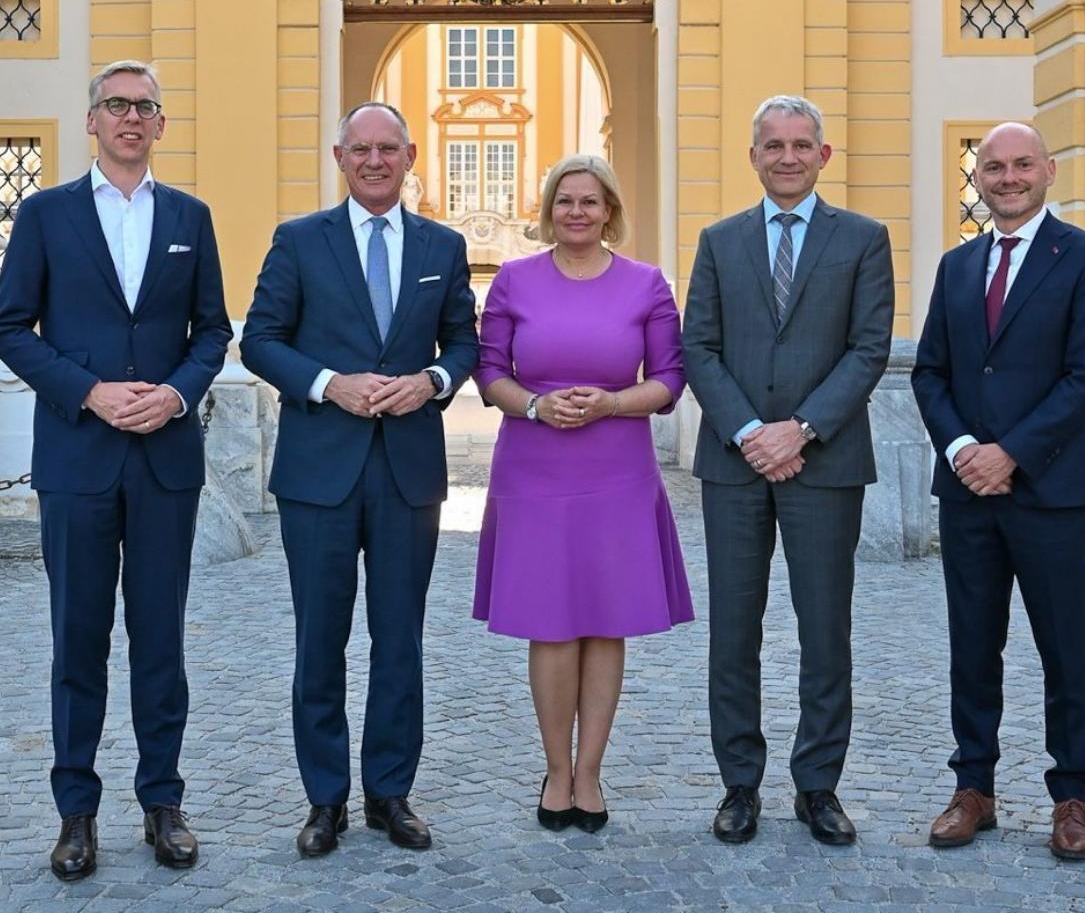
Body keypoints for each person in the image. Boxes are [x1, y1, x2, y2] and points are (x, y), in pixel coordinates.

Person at [0, 60, 231, 881]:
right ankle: (76, 813)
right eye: (116, 104)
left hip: (164, 459)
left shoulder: (190, 217)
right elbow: (10, 328)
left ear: (160, 124)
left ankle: (163, 802)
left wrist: (177, 394)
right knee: (78, 640)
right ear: (92, 120)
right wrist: (87, 392)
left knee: (160, 639)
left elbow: (212, 331)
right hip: (77, 457)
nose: (131, 116)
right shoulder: (45, 214)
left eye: (145, 106)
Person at [240, 102, 479, 858]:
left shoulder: (443, 245)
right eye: (360, 149)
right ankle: (325, 799)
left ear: (410, 157)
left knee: (399, 638)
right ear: (339, 157)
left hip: (408, 469)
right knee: (320, 639)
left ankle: (390, 793)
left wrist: (432, 380)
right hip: (319, 470)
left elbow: (466, 341)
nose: (375, 161)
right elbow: (260, 340)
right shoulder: (299, 240)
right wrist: (327, 384)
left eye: (388, 149)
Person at [909, 121, 1085, 862]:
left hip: (1052, 489)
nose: (1008, 178)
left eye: (1022, 164)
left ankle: (1072, 796)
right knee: (973, 645)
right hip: (968, 490)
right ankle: (974, 788)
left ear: (1048, 171)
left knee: (1065, 648)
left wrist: (1014, 454)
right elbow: (930, 372)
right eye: (994, 167)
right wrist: (964, 450)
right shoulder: (958, 266)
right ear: (978, 178)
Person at [682, 94, 895, 846]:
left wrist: (800, 429)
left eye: (801, 145)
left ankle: (817, 786)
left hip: (825, 462)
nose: (787, 157)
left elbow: (869, 348)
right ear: (754, 157)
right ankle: (739, 784)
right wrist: (750, 432)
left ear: (823, 155)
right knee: (734, 630)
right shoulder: (719, 241)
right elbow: (698, 346)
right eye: (773, 145)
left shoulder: (863, 238)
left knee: (825, 629)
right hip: (735, 463)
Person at [471, 154, 693, 834]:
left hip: (617, 467)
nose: (576, 212)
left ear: (609, 211)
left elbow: (670, 378)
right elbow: (489, 372)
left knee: (604, 620)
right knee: (550, 622)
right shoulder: (513, 279)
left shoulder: (646, 284)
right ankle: (556, 771)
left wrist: (613, 403)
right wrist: (537, 407)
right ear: (548, 210)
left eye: (589, 201)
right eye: (564, 201)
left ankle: (590, 771)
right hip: (534, 467)